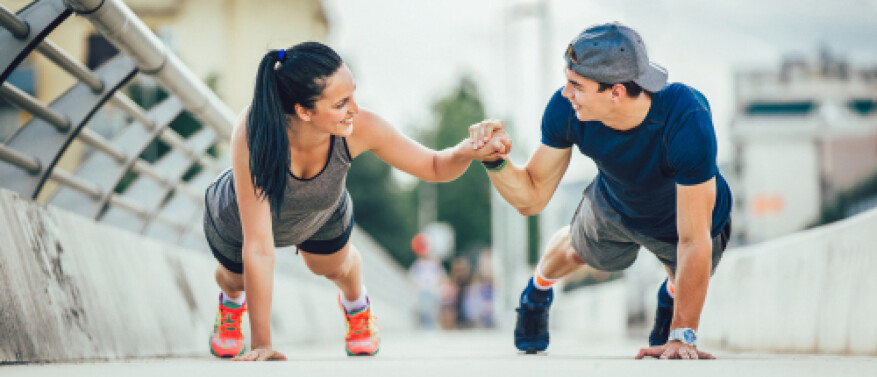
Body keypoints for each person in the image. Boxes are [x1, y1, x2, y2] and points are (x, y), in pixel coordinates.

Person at [202, 41, 509, 361]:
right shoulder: (253, 131)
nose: (355, 109)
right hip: (239, 217)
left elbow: (433, 166)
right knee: (238, 277)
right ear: (304, 111)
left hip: (320, 210)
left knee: (331, 266)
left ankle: (356, 306)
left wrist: (465, 152)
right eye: (341, 103)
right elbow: (258, 247)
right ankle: (231, 302)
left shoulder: (359, 128)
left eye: (353, 95)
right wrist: (262, 345)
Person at [468, 22, 732, 360]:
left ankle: (670, 298)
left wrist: (683, 335)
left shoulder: (686, 117)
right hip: (616, 201)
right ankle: (537, 292)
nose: (566, 92)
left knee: (685, 270)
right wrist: (494, 160)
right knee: (576, 252)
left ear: (616, 92)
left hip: (687, 214)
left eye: (576, 85)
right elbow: (532, 197)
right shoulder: (566, 110)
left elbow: (694, 240)